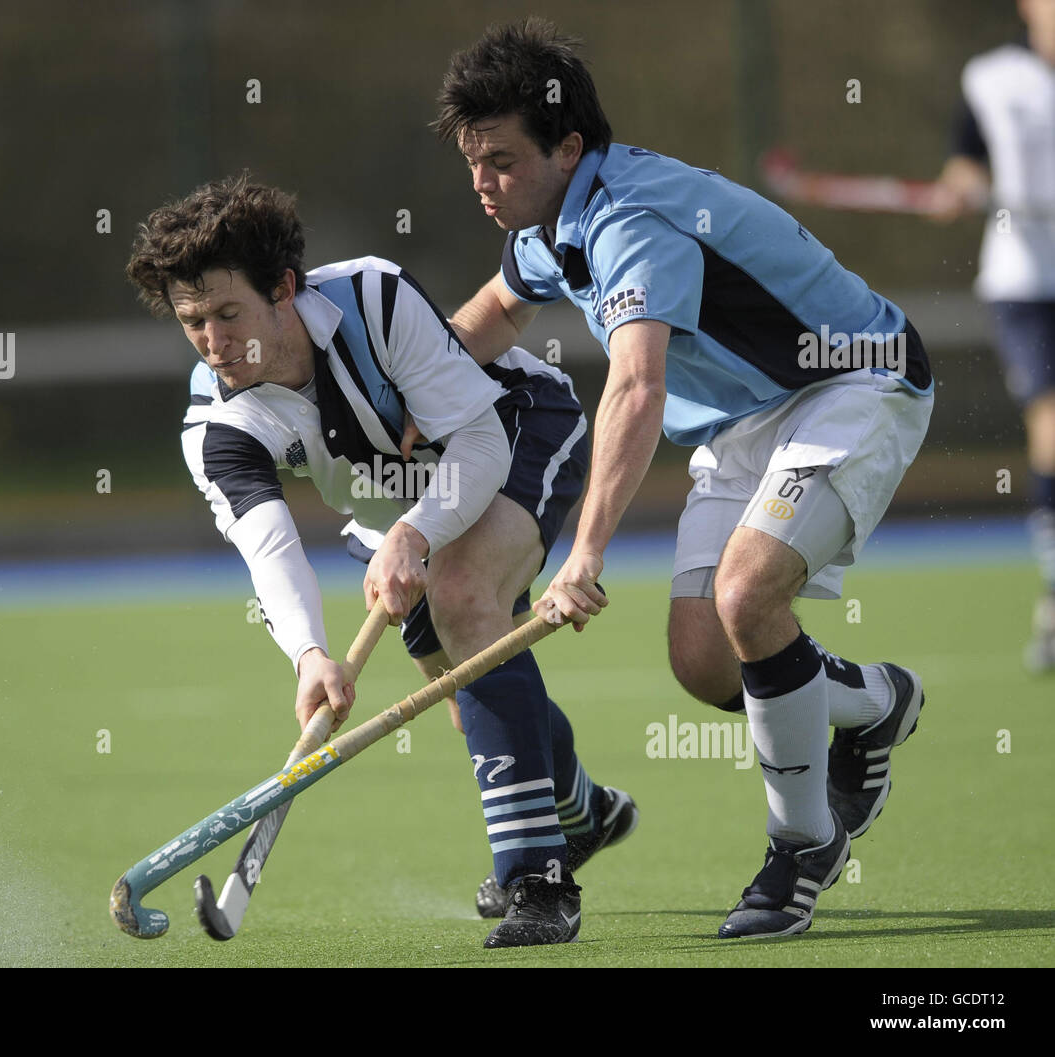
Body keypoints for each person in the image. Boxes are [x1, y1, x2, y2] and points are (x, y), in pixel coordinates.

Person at [427, 19, 935, 939]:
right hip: (748, 421)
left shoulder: (631, 218)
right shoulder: (553, 221)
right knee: (706, 661)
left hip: (853, 381)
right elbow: (492, 314)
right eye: (473, 162)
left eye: (500, 160)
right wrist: (393, 402)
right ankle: (877, 702)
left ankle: (801, 846)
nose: (482, 183)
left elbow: (636, 385)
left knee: (747, 597)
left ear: (567, 146)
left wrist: (584, 553)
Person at [125, 174, 637, 948]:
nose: (214, 342)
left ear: (283, 290)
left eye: (229, 314)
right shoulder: (217, 423)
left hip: (514, 434)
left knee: (465, 598)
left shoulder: (373, 299)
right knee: (468, 691)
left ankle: (539, 879)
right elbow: (270, 546)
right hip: (394, 507)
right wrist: (308, 655)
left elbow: (478, 441)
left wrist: (417, 535)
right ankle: (581, 809)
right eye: (193, 321)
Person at [930, 0, 1055, 672]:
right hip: (1025, 284)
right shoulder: (993, 79)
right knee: (1052, 425)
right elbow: (968, 163)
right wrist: (961, 190)